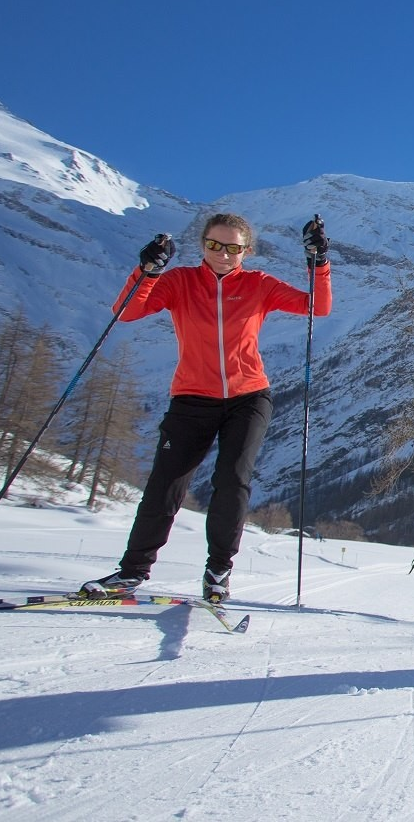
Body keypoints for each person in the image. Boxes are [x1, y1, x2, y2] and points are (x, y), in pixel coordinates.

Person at [80, 212, 333, 602]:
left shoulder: (258, 284)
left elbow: (317, 307)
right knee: (165, 486)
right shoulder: (180, 281)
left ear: (246, 251)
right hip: (191, 399)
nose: (224, 254)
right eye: (215, 245)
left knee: (232, 480)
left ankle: (218, 571)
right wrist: (147, 271)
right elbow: (127, 311)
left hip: (248, 398)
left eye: (233, 247)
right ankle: (131, 572)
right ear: (202, 245)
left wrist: (319, 264)